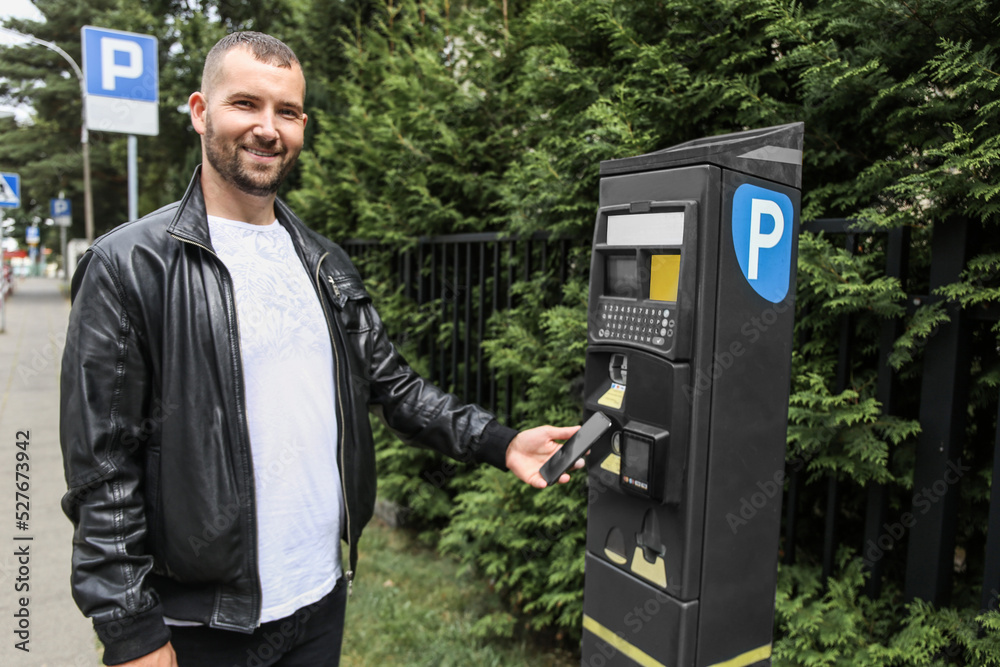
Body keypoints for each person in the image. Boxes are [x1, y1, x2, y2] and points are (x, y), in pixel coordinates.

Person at [60, 31, 580, 667]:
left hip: (318, 601)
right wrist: (133, 632)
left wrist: (500, 442)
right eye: (245, 104)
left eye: (288, 112)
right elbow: (101, 469)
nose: (267, 129)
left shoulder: (323, 262)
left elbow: (394, 387)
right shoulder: (129, 265)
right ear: (201, 112)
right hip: (197, 624)